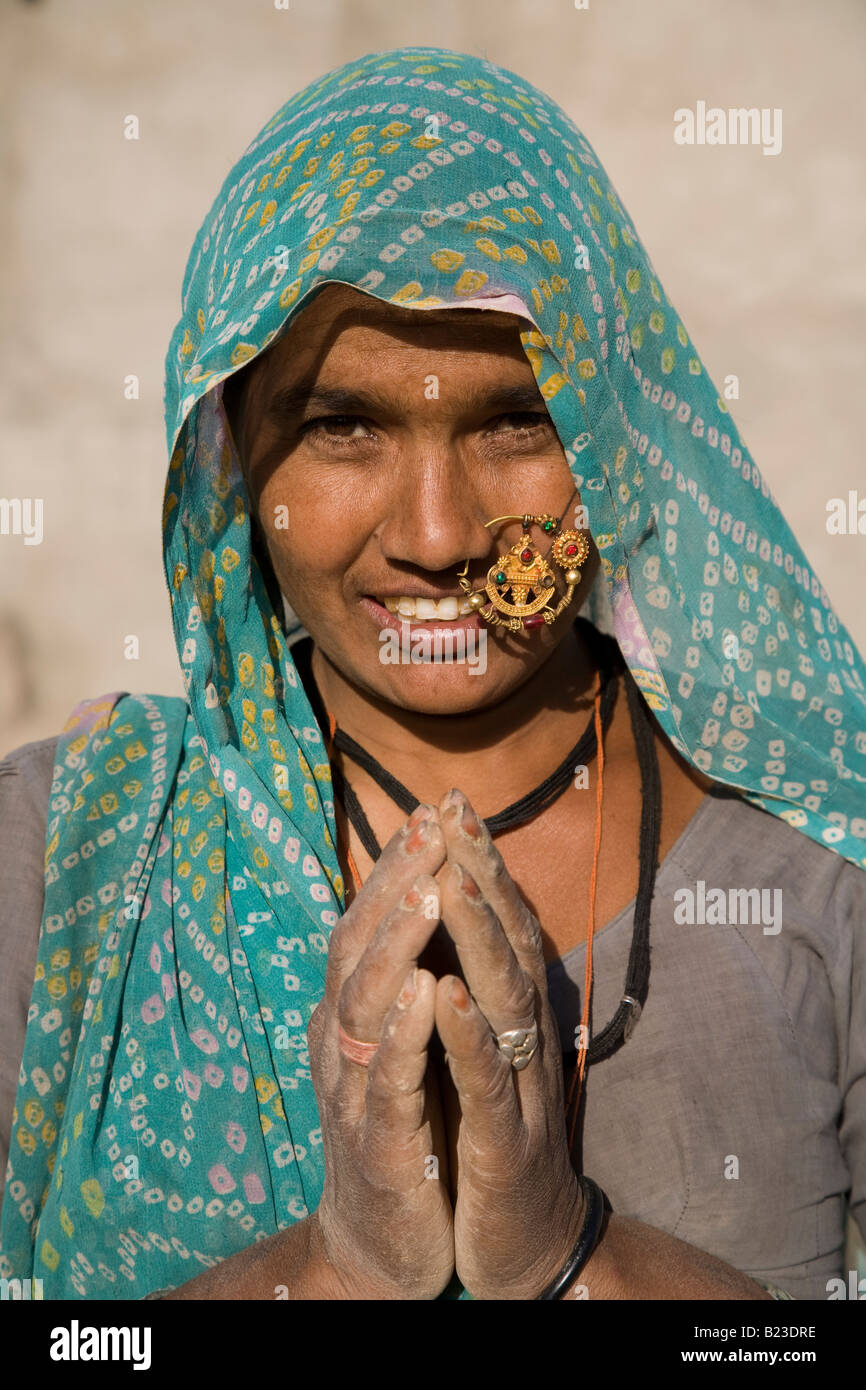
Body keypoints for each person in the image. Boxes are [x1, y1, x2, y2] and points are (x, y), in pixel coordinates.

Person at [1, 44, 864, 1302]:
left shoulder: (820, 881)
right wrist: (332, 1271)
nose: (439, 534)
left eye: (517, 421)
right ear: (232, 452)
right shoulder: (60, 861)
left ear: (611, 434)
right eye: (342, 425)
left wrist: (577, 1254)